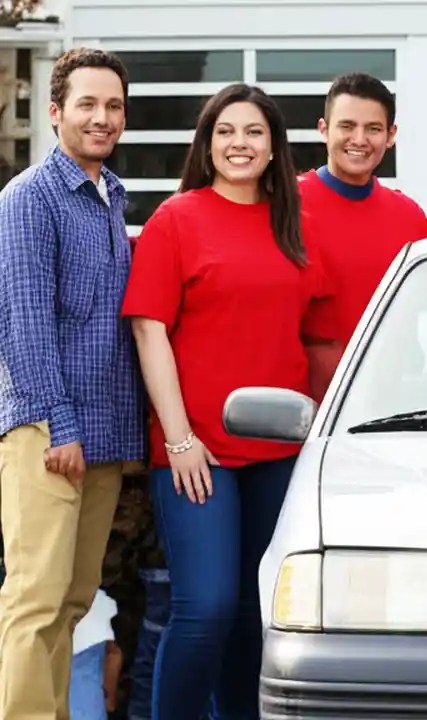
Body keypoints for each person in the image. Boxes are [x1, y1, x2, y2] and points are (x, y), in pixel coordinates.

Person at [122, 83, 336, 719]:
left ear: (275, 148)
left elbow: (314, 336)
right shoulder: (177, 218)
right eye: (226, 132)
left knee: (257, 611)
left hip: (279, 452)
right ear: (207, 144)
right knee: (205, 607)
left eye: (253, 132)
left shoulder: (295, 225)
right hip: (198, 453)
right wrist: (180, 437)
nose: (239, 143)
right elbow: (147, 328)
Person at [0, 47, 144, 720]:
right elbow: (25, 324)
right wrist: (60, 426)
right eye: (87, 103)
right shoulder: (29, 198)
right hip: (48, 433)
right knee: (35, 597)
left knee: (74, 601)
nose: (102, 117)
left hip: (103, 438)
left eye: (113, 106)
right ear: (55, 112)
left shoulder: (110, 198)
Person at [299, 72, 427, 396]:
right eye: (347, 126)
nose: (359, 139)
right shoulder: (284, 206)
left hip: (390, 404)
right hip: (307, 409)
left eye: (373, 129)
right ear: (324, 129)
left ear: (391, 135)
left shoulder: (409, 217)